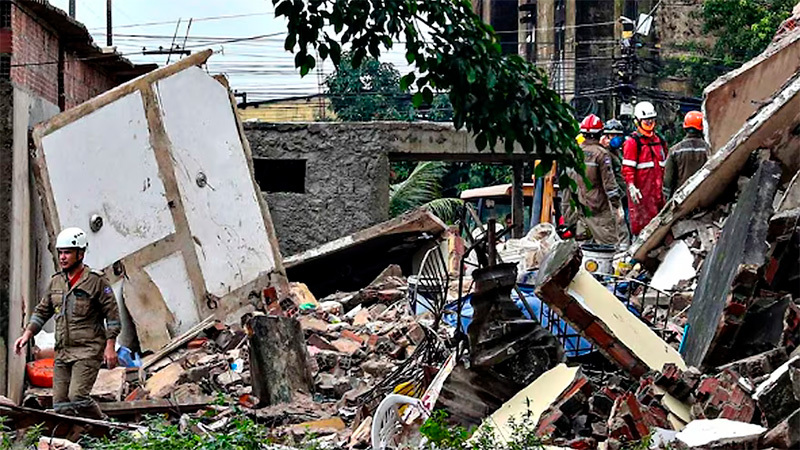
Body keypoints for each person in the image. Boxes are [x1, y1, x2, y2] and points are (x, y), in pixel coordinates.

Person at [14, 228, 120, 419]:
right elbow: (42, 310)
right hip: (63, 351)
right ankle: (83, 436)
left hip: (87, 350)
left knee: (78, 397)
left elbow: (112, 316)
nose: (62, 257)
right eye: (60, 252)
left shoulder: (96, 281)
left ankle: (108, 431)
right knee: (61, 405)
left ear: (80, 254)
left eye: (68, 252)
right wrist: (27, 334)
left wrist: (110, 346)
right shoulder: (56, 282)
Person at [569, 114, 629, 248]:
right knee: (612, 247)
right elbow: (610, 185)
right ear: (601, 134)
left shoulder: (577, 153)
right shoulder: (602, 155)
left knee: (582, 250)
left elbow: (570, 185)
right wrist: (617, 206)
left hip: (582, 209)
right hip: (600, 209)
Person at [622, 101, 668, 236]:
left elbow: (666, 165)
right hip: (642, 194)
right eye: (646, 121)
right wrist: (631, 185)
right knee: (643, 229)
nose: (649, 123)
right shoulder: (632, 142)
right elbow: (627, 168)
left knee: (661, 227)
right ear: (637, 121)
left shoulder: (660, 140)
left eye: (651, 120)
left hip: (659, 194)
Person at [663, 111, 710, 201]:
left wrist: (667, 199)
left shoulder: (675, 150)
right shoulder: (709, 150)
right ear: (702, 128)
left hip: (681, 198)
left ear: (685, 127)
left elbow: (668, 179)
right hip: (703, 197)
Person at [601, 118, 629, 228]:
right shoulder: (604, 155)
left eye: (617, 135)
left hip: (624, 194)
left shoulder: (620, 152)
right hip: (614, 198)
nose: (614, 138)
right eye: (611, 135)